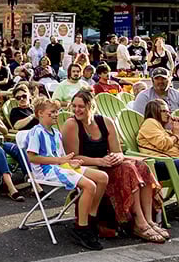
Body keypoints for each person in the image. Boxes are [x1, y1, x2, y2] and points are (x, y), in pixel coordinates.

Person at [62, 90, 166, 242]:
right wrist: (100, 161)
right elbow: (72, 157)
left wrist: (117, 156)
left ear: (91, 106)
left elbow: (117, 151)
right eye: (74, 106)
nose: (77, 110)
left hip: (107, 164)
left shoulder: (105, 122)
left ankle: (149, 220)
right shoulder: (71, 125)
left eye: (81, 106)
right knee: (128, 169)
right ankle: (139, 223)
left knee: (142, 166)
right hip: (89, 167)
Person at [26, 98, 109, 250]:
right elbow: (32, 157)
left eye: (57, 111)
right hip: (47, 170)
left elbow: (63, 158)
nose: (56, 115)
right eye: (52, 112)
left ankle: (91, 216)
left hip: (61, 166)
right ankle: (82, 228)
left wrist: (71, 163)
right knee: (89, 186)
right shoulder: (36, 132)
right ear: (40, 114)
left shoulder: (56, 133)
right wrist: (59, 161)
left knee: (102, 178)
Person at [137, 99, 179, 183]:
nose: (168, 114)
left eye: (169, 111)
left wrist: (175, 129)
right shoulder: (150, 123)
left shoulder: (162, 128)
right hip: (160, 163)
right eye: (164, 111)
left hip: (171, 161)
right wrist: (176, 135)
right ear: (154, 111)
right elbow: (163, 144)